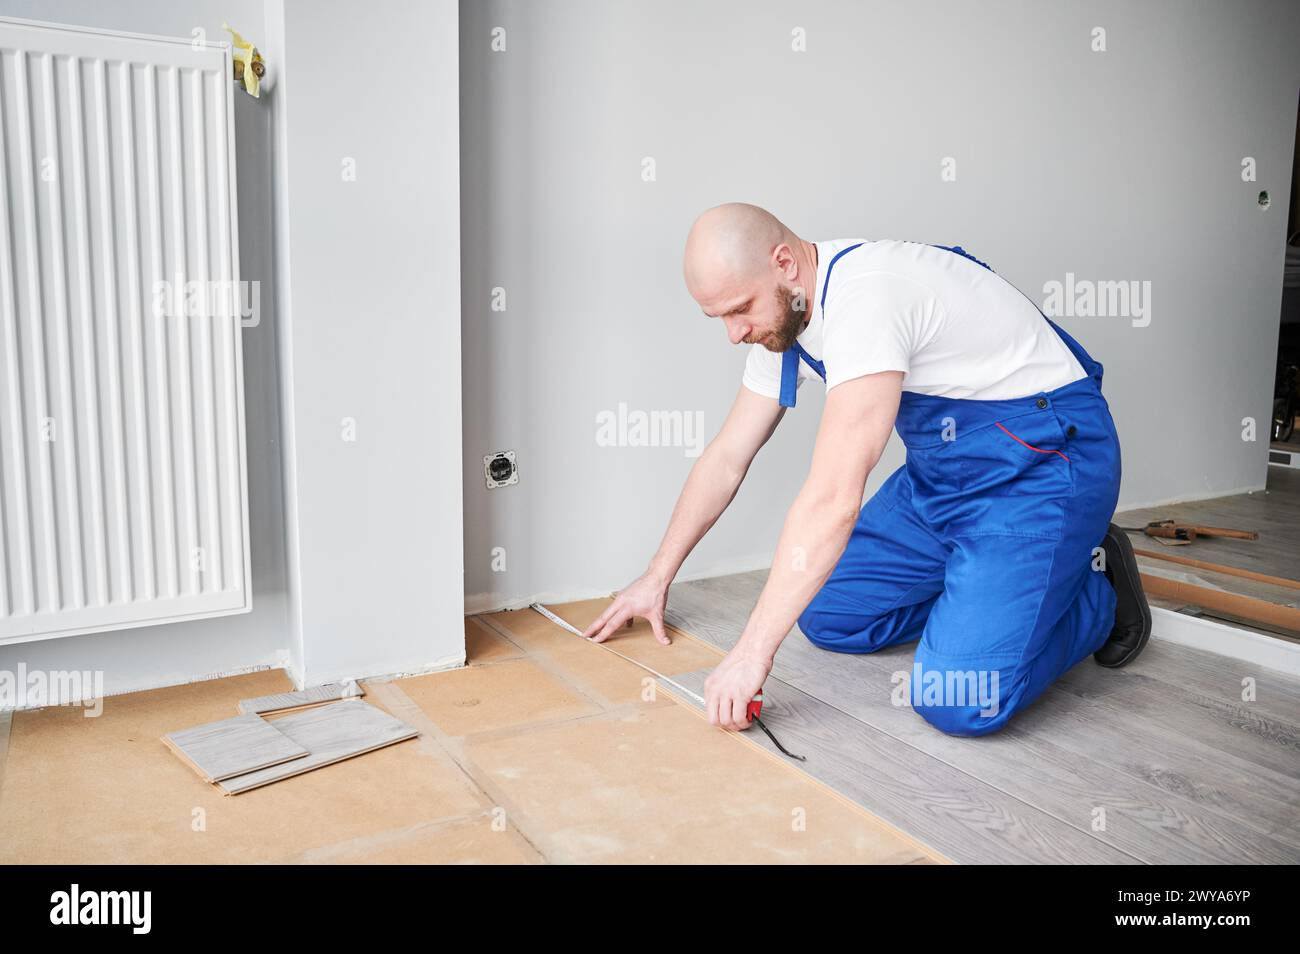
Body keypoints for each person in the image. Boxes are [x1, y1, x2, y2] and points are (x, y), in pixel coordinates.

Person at [584, 203, 1151, 736]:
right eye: (720, 317)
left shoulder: (869, 300)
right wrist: (656, 577)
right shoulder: (792, 316)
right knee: (831, 616)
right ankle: (994, 594)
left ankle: (1094, 590)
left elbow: (833, 498)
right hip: (942, 481)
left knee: (957, 698)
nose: (734, 333)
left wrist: (750, 655)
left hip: (1039, 472)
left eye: (739, 310)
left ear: (784, 263)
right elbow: (726, 459)